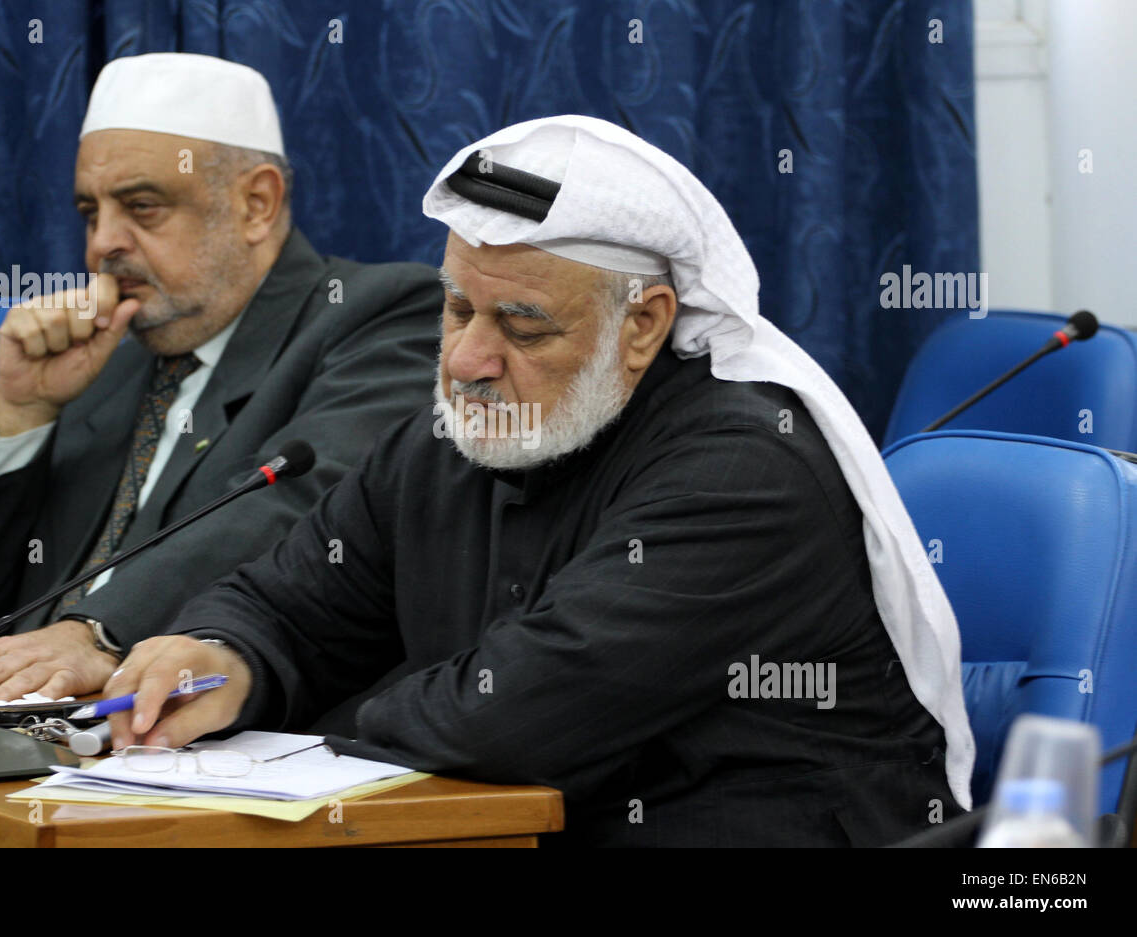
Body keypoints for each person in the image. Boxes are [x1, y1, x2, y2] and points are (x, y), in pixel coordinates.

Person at [101, 115, 976, 846]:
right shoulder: (452, 436)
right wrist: (224, 655)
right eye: (456, 309)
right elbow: (292, 601)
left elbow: (503, 724)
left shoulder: (746, 473)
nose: (469, 359)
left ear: (643, 326)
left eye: (522, 325)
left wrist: (315, 722)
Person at [0, 53, 440, 711]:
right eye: (90, 212)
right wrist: (21, 414)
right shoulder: (100, 358)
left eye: (143, 206)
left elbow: (303, 512)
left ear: (256, 203)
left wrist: (99, 631)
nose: (102, 245)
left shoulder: (377, 315)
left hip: (191, 744)